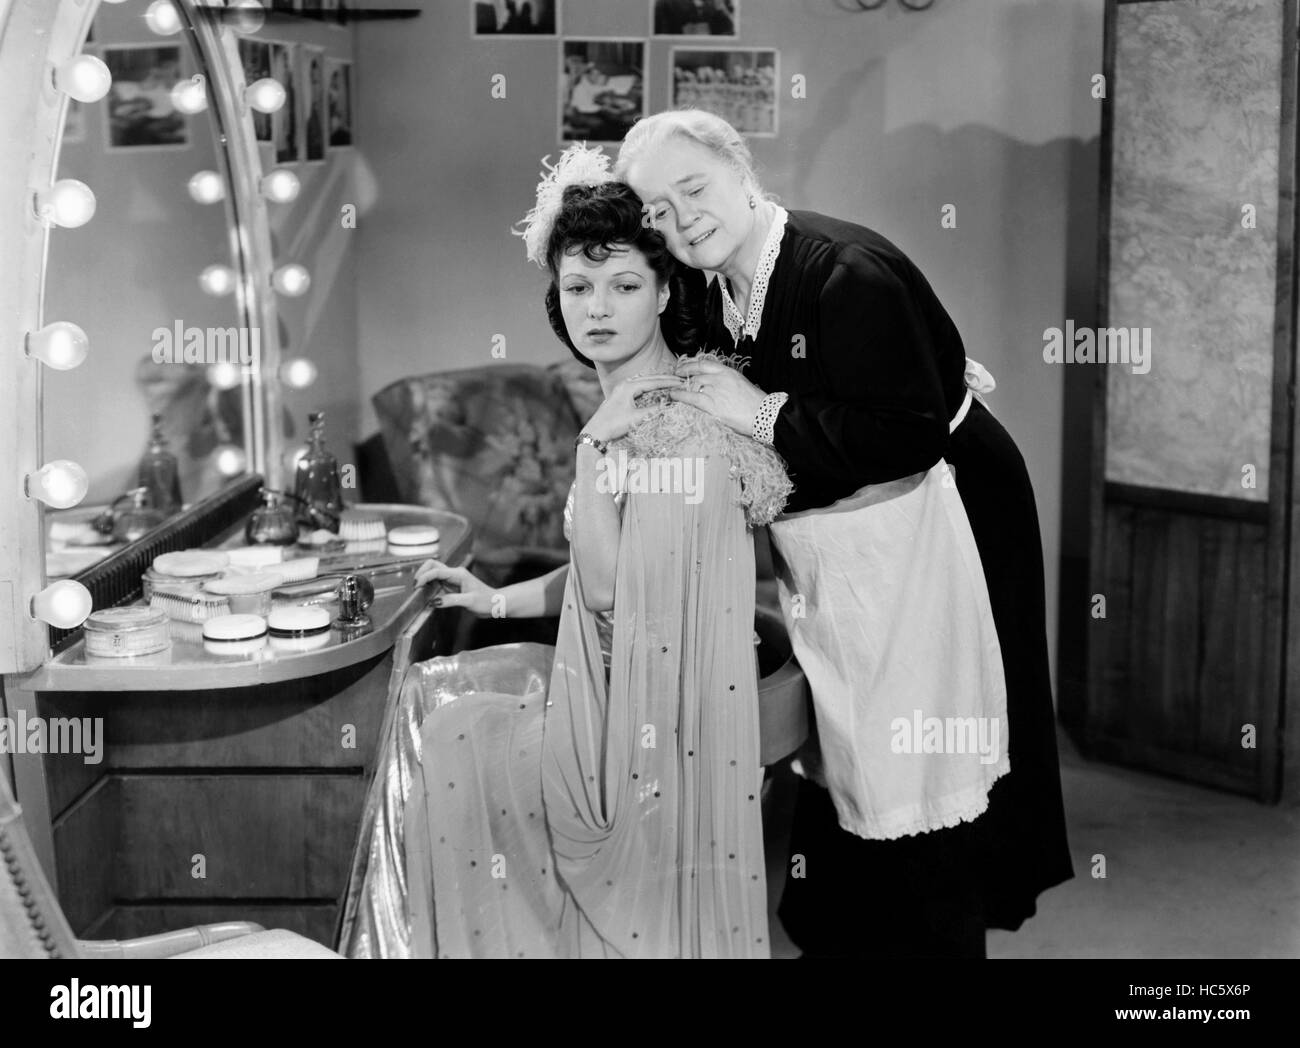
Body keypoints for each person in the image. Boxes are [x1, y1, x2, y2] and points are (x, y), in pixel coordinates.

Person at [619, 109, 1074, 958]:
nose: (682, 219)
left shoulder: (845, 272)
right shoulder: (711, 284)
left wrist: (759, 412)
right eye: (657, 210)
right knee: (850, 749)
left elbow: (909, 433)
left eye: (694, 189)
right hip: (846, 531)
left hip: (940, 516)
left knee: (931, 752)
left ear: (739, 168)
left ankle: (935, 930)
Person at [339, 145, 791, 958]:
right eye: (578, 288)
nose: (598, 309)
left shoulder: (666, 426)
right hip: (620, 685)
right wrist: (493, 599)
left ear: (664, 293)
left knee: (439, 731)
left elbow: (616, 601)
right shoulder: (643, 398)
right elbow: (596, 579)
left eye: (624, 286)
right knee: (434, 693)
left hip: (648, 733)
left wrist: (589, 456)